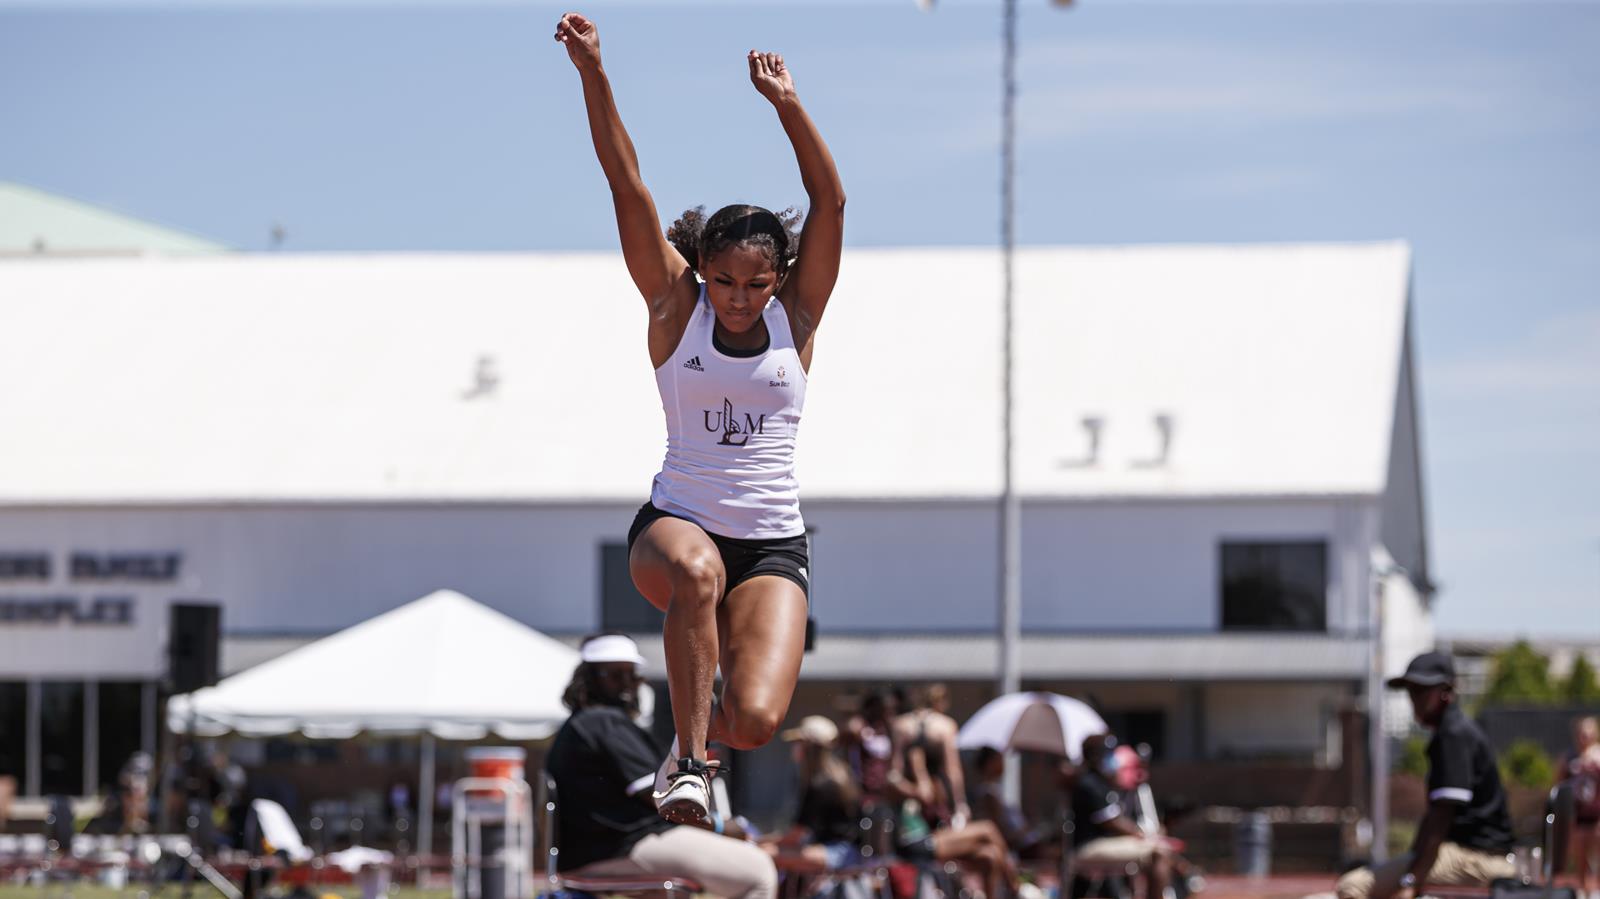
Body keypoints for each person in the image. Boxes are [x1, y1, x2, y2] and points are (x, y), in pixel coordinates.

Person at [555, 10, 846, 827]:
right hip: (677, 524)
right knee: (696, 573)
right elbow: (628, 184)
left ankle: (686, 737)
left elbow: (830, 201)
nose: (739, 299)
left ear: (779, 279)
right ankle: (689, 765)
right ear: (702, 271)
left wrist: (788, 105)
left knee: (754, 720)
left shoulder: (798, 318)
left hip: (771, 541)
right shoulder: (674, 308)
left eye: (755, 284)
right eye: (724, 281)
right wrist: (594, 73)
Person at [544, 633, 778, 899]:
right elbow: (665, 800)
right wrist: (722, 826)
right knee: (759, 871)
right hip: (619, 848)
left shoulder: (585, 724)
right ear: (589, 678)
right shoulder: (602, 722)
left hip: (602, 849)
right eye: (615, 675)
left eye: (633, 675)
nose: (627, 684)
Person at [1335, 652, 1515, 899]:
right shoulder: (1453, 730)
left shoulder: (1454, 734)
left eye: (1422, 691)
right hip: (1471, 854)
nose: (1414, 699)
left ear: (1446, 691)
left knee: (1353, 887)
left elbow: (1442, 816)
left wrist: (1411, 880)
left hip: (1477, 858)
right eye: (1411, 691)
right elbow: (1434, 819)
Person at [1068, 734, 1190, 899]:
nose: (1113, 758)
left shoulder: (1103, 782)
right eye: (1107, 753)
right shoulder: (1089, 783)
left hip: (1106, 843)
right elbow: (1111, 822)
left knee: (1160, 850)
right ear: (1094, 756)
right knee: (1158, 854)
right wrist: (1143, 835)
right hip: (1089, 846)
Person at [768, 715, 868, 874]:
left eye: (799, 742)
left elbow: (796, 835)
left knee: (765, 853)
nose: (794, 747)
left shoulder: (820, 784)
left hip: (840, 852)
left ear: (810, 746)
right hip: (840, 848)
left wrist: (758, 841)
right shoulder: (839, 772)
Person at [892, 683, 970, 829]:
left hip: (907, 801)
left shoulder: (901, 724)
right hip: (937, 798)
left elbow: (894, 774)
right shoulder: (945, 726)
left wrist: (913, 791)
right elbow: (952, 770)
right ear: (942, 701)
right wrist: (960, 804)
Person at [971, 747, 1050, 860]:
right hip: (1019, 849)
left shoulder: (996, 789)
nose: (1003, 763)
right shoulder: (988, 793)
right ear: (989, 764)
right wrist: (1024, 832)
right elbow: (999, 828)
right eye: (999, 760)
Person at [1560, 716, 1600, 898]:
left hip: (1597, 815)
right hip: (1578, 816)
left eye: (1588, 733)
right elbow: (1560, 784)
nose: (1584, 737)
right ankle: (1583, 891)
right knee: (1580, 859)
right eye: (1581, 733)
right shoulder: (1569, 758)